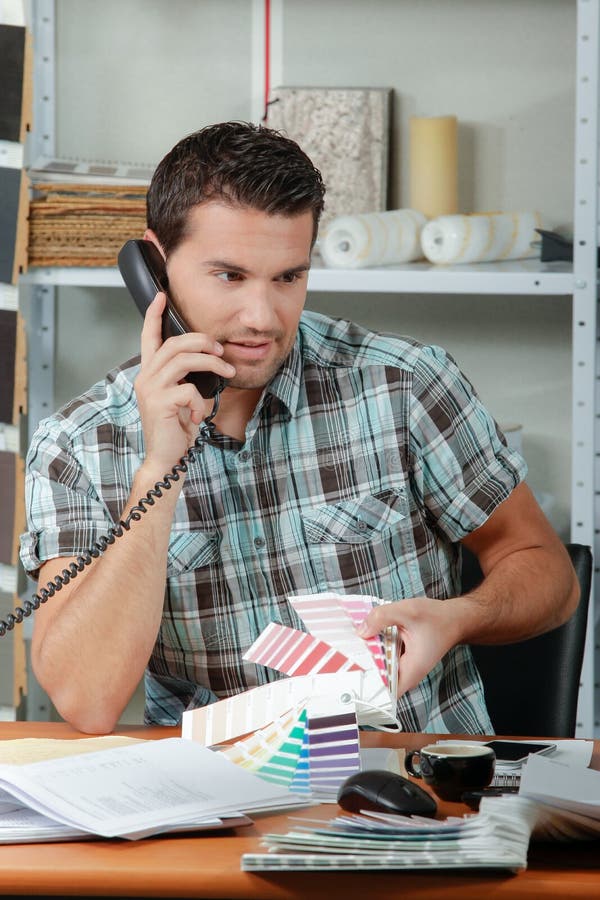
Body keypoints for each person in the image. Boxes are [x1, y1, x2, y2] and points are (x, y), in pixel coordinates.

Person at [20, 121, 578, 735]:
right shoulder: (76, 446)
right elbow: (86, 699)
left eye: (288, 277)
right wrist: (160, 469)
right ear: (153, 267)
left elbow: (547, 573)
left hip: (408, 785)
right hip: (216, 805)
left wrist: (460, 617)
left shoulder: (406, 384)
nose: (262, 319)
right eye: (229, 276)